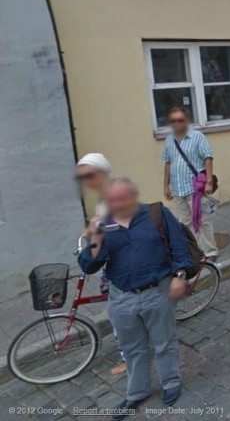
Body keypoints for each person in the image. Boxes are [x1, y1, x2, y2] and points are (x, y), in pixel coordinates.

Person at [78, 177, 193, 420]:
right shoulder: (104, 224)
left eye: (123, 198)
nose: (118, 204)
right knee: (132, 348)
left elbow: (179, 245)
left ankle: (171, 382)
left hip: (157, 291)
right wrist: (95, 239)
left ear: (133, 196)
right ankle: (137, 392)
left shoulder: (156, 214)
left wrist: (180, 276)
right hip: (122, 298)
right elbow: (89, 266)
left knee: (164, 342)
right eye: (113, 200)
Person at [76, 153, 128, 376]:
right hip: (113, 262)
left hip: (123, 264)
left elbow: (118, 230)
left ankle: (128, 358)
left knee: (117, 315)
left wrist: (96, 235)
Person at [162, 107, 218, 262]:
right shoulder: (169, 140)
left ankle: (210, 251)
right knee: (185, 222)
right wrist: (166, 186)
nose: (176, 123)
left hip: (195, 186)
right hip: (178, 187)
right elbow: (167, 163)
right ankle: (195, 250)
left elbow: (208, 158)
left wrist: (209, 182)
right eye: (173, 120)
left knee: (202, 219)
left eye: (180, 120)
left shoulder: (197, 136)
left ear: (186, 121)